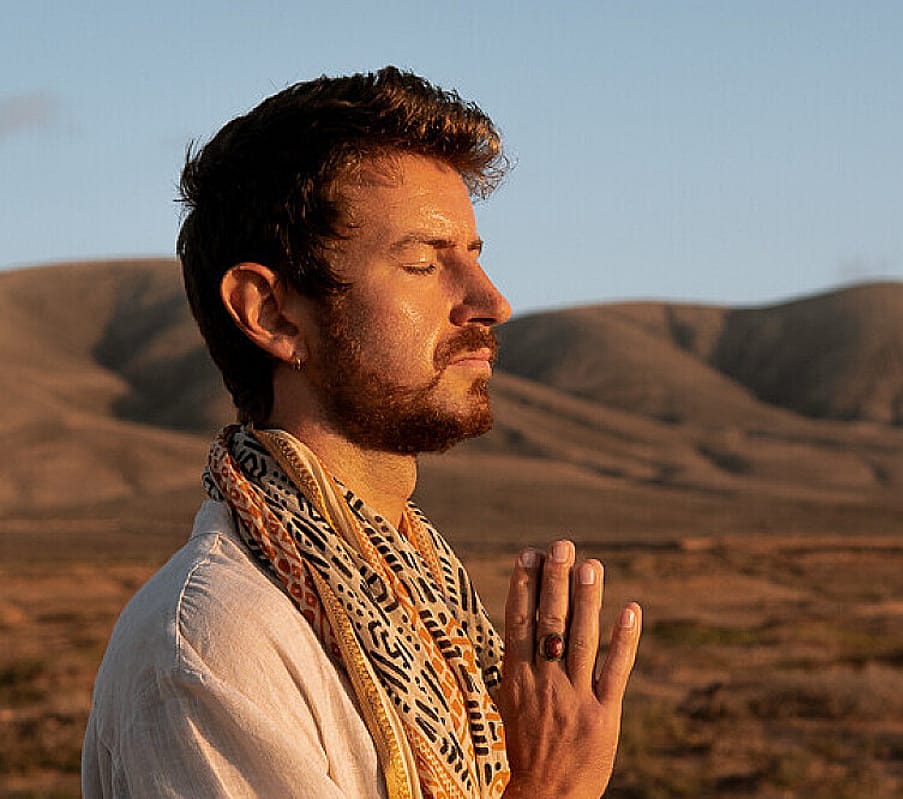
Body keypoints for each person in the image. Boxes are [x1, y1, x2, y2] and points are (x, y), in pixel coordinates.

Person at [82, 67, 642, 799]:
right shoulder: (217, 640)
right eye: (421, 262)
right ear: (273, 313)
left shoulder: (428, 606)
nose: (491, 301)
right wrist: (550, 789)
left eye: (474, 255)